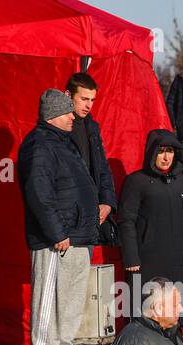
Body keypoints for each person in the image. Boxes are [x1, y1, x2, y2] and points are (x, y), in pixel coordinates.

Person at [17, 88, 98, 345]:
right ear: (53, 115)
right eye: (67, 113)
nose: (72, 118)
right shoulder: (39, 145)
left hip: (76, 236)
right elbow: (39, 193)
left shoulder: (64, 143)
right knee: (48, 298)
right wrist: (57, 232)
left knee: (70, 299)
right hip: (56, 239)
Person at [118, 129, 183, 334]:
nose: (166, 157)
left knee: (177, 319)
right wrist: (130, 257)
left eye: (171, 151)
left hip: (179, 263)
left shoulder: (182, 182)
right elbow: (126, 221)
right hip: (146, 263)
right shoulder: (136, 181)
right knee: (146, 317)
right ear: (151, 152)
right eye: (161, 151)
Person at [66, 74, 117, 306]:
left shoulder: (92, 127)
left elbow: (102, 168)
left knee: (78, 286)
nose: (88, 105)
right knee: (63, 287)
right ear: (69, 96)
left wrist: (107, 201)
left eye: (93, 100)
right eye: (83, 98)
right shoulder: (59, 128)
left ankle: (73, 342)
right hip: (68, 219)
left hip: (89, 217)